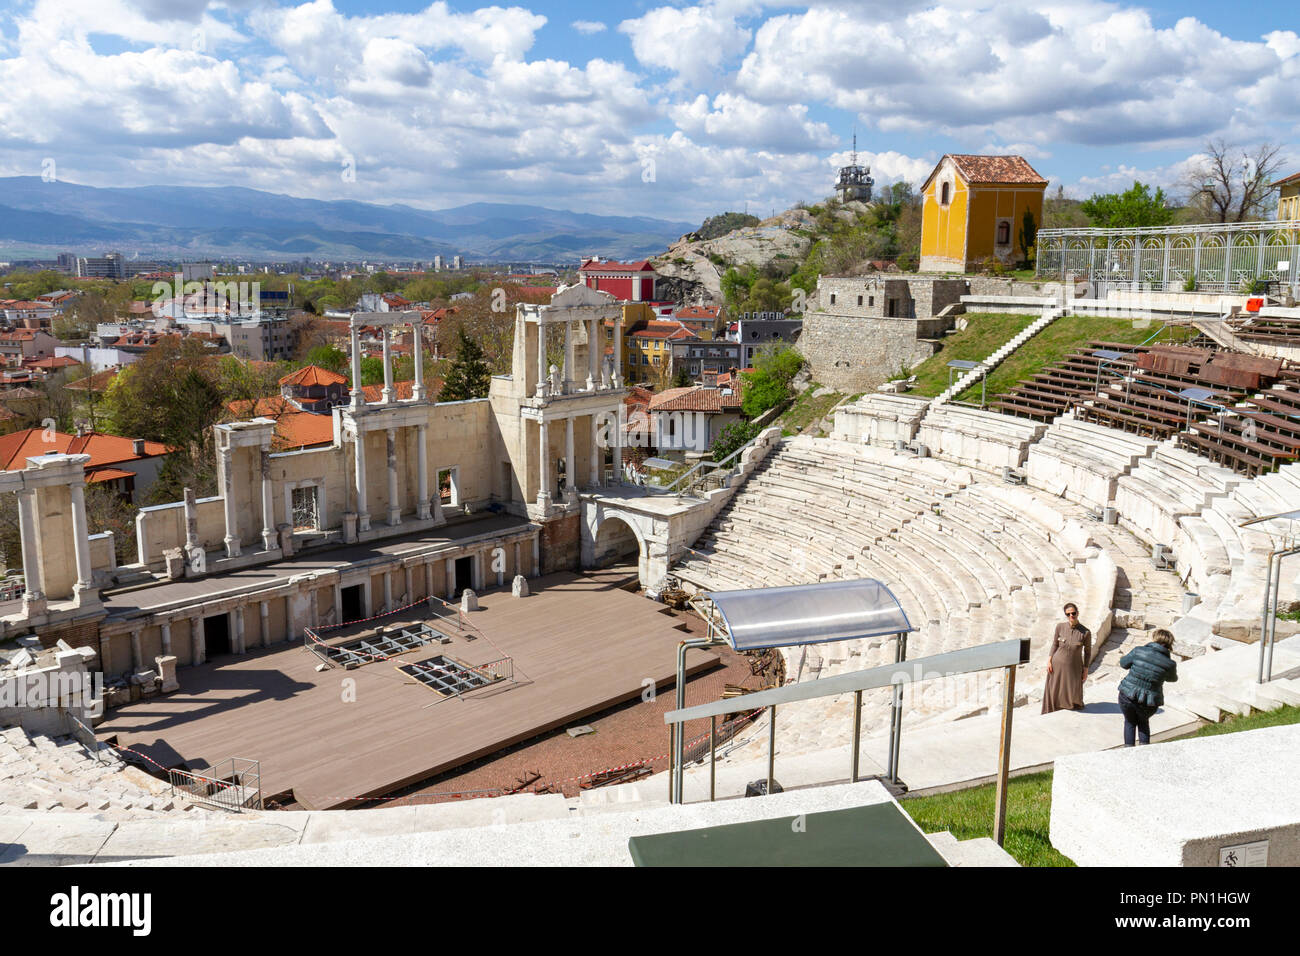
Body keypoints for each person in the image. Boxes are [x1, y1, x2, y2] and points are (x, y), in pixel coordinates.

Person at [1117, 628, 1178, 746]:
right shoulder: (1170, 664)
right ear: (1170, 644)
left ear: (1155, 639)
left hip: (1127, 694)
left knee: (1129, 722)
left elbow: (1124, 664)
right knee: (1143, 724)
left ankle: (1128, 751)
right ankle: (1144, 754)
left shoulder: (1138, 651)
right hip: (1149, 701)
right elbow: (1173, 679)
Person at [1042, 602, 1091, 714]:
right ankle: (1054, 709)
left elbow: (1088, 652)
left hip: (1074, 666)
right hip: (1056, 665)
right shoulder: (1060, 627)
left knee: (1072, 688)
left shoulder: (1086, 632)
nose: (1071, 616)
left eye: (1073, 613)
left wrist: (1086, 669)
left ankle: (1070, 706)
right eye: (1068, 614)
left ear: (1078, 613)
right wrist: (1049, 661)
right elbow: (1055, 644)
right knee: (1055, 689)